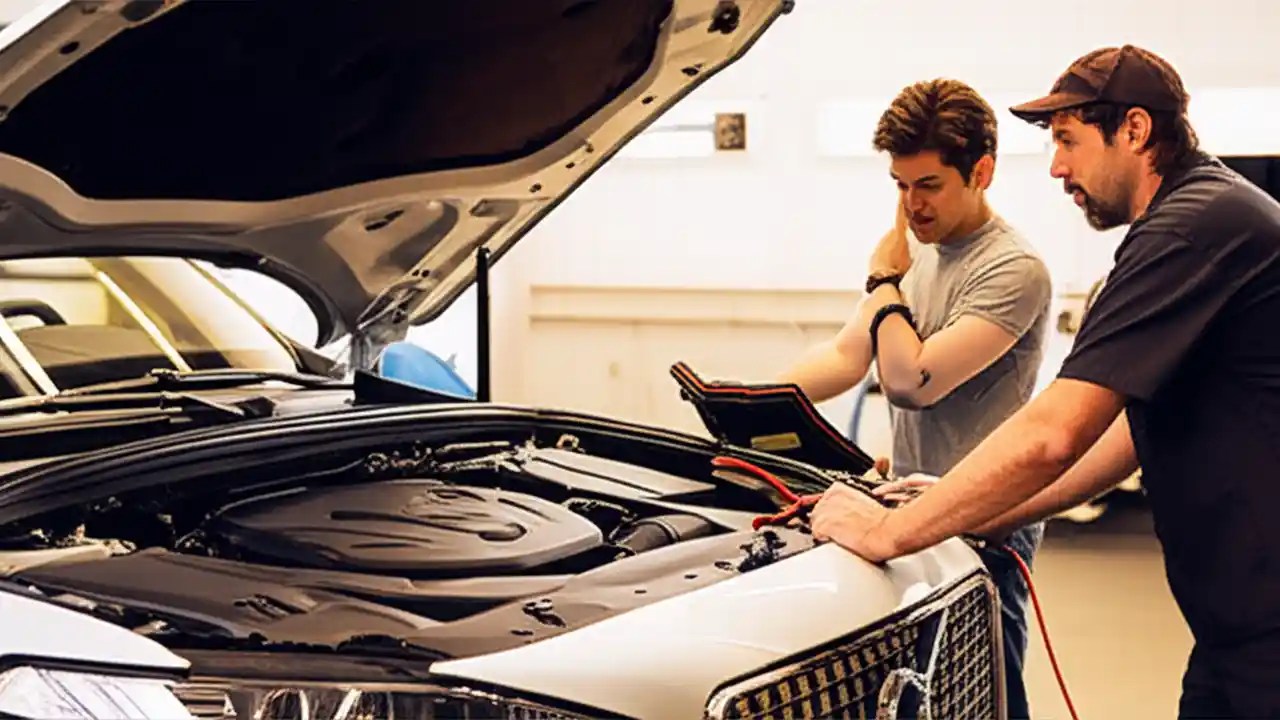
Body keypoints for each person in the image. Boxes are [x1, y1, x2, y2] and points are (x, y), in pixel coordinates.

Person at [809, 44, 1280, 718]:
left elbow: (1055, 433)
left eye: (1067, 140)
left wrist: (894, 533)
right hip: (1237, 629)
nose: (1057, 166)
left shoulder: (1192, 229)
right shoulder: (1197, 220)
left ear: (1136, 131)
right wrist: (961, 508)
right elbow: (1119, 437)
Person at [777, 78, 1052, 718]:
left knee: (991, 693)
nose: (911, 205)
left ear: (981, 171)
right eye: (900, 186)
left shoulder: (1013, 269)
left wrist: (882, 281)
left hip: (986, 525)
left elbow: (912, 381)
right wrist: (747, 394)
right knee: (918, 694)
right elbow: (850, 356)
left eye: (928, 185)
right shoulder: (916, 257)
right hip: (909, 513)